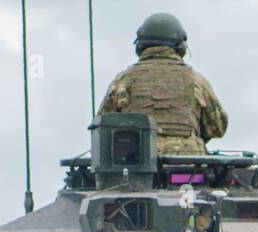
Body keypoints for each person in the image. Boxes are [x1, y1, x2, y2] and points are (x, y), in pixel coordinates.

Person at [97, 12, 228, 154]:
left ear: (140, 46)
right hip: (188, 169)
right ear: (181, 46)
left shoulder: (123, 80)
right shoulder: (196, 80)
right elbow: (217, 127)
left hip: (136, 167)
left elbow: (102, 126)